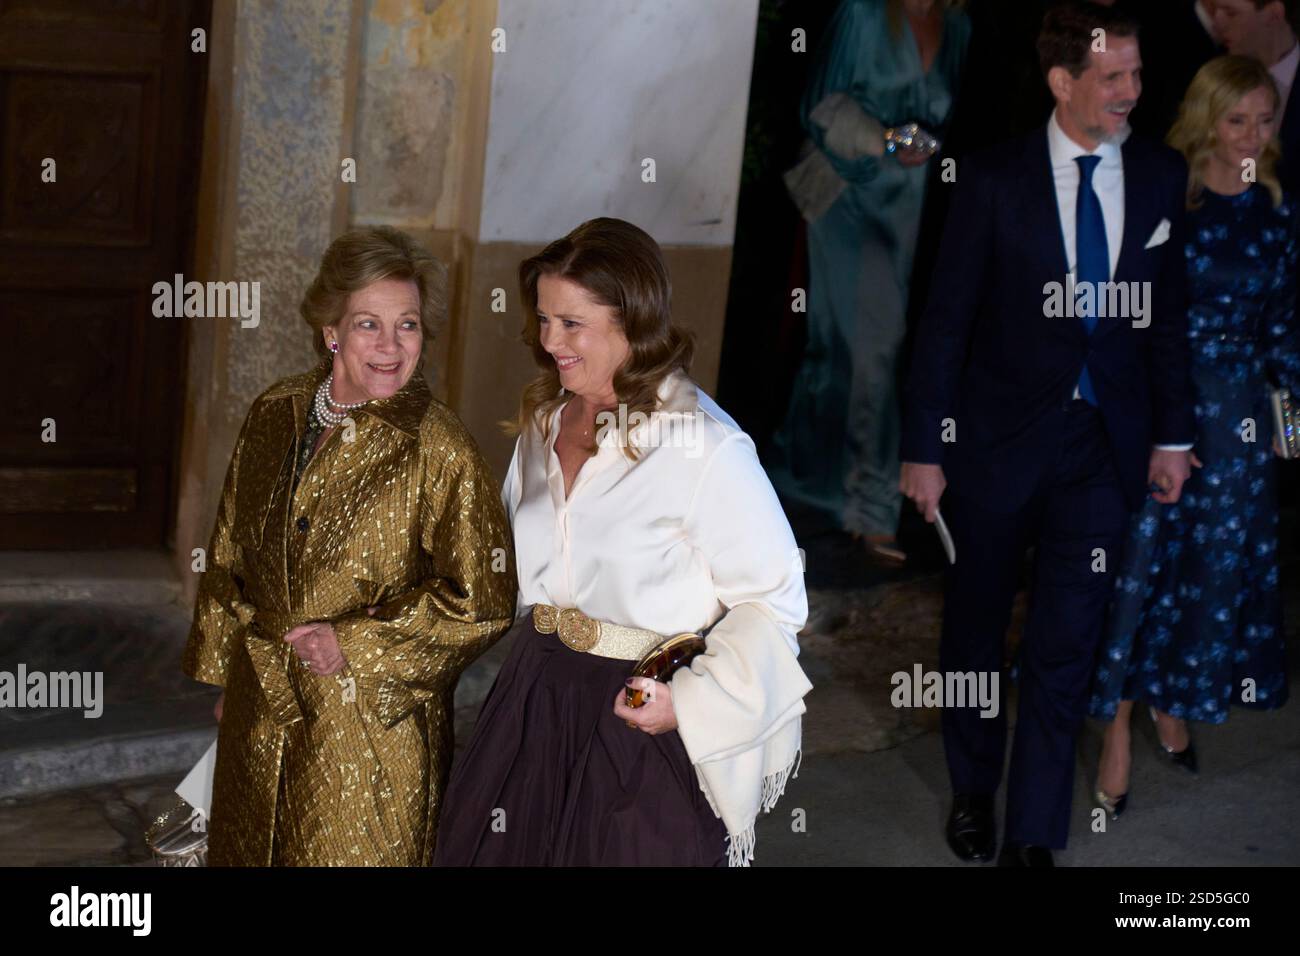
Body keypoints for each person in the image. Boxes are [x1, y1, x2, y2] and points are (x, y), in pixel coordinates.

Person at [899, 2, 1195, 866]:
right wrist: (925, 448)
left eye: (1138, 76)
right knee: (977, 629)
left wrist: (1172, 437)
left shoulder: (1158, 173)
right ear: (1063, 82)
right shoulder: (990, 179)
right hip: (993, 444)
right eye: (1114, 79)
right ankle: (971, 789)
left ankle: (1035, 831)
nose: (1131, 94)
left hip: (1104, 446)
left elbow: (1167, 319)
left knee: (1068, 640)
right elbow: (943, 323)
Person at [433, 218, 812, 867]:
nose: (551, 340)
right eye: (545, 319)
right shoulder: (545, 424)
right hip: (534, 697)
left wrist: (687, 704)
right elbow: (496, 573)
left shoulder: (705, 444)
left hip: (640, 711)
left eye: (572, 323)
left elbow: (775, 606)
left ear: (633, 320)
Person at [183, 226, 517, 865]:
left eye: (409, 325)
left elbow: (484, 600)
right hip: (261, 715)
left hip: (370, 739)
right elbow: (228, 553)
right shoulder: (272, 414)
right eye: (369, 324)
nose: (392, 347)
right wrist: (232, 677)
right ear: (331, 331)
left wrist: (356, 644)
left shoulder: (440, 449)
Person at [1091, 56, 1297, 818]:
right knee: (1136, 576)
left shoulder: (1278, 212)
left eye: (1264, 118)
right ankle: (1115, 723)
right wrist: (1156, 420)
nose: (1250, 134)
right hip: (1161, 411)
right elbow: (1129, 315)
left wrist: (1292, 430)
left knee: (1210, 582)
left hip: (1241, 421)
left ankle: (1172, 700)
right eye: (1235, 118)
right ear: (1207, 118)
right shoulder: (1165, 193)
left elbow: (1284, 331)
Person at [769, 0, 970, 566]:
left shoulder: (959, 26)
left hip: (908, 206)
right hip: (847, 196)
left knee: (843, 350)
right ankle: (871, 508)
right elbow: (821, 105)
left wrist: (927, 146)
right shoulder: (861, 13)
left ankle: (798, 481)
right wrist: (885, 138)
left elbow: (947, 119)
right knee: (873, 350)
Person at [1213, 0, 1300, 189]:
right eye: (1214, 10)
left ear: (1274, 13)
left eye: (1230, 13)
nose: (1216, 23)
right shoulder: (1212, 73)